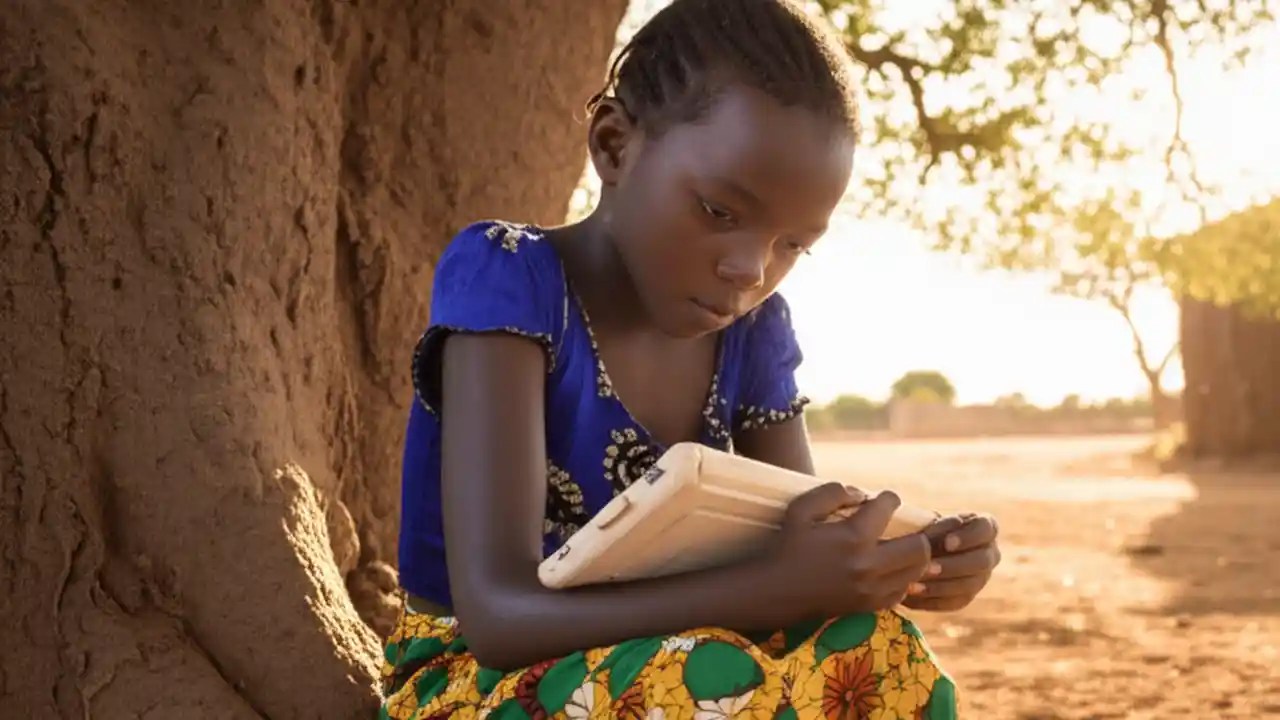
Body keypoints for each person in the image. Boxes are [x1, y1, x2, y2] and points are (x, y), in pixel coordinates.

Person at [380, 1, 1001, 717]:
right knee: (708, 674)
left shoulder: (753, 331)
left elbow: (805, 537)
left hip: (682, 650)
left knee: (876, 646)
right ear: (614, 145)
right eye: (718, 212)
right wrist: (776, 587)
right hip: (474, 679)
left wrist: (907, 559)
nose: (750, 268)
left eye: (793, 245)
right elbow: (498, 618)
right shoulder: (511, 279)